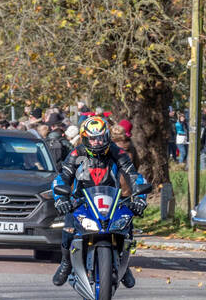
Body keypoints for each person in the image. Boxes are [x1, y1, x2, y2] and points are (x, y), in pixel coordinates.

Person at [51, 116, 147, 288]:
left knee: (126, 224)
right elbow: (61, 179)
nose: (97, 142)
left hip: (112, 200)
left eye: (101, 138)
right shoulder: (76, 154)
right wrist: (61, 200)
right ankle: (66, 262)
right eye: (93, 139)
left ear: (107, 137)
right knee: (68, 229)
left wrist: (140, 198)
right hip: (80, 201)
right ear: (84, 138)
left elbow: (134, 176)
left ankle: (123, 265)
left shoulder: (117, 153)